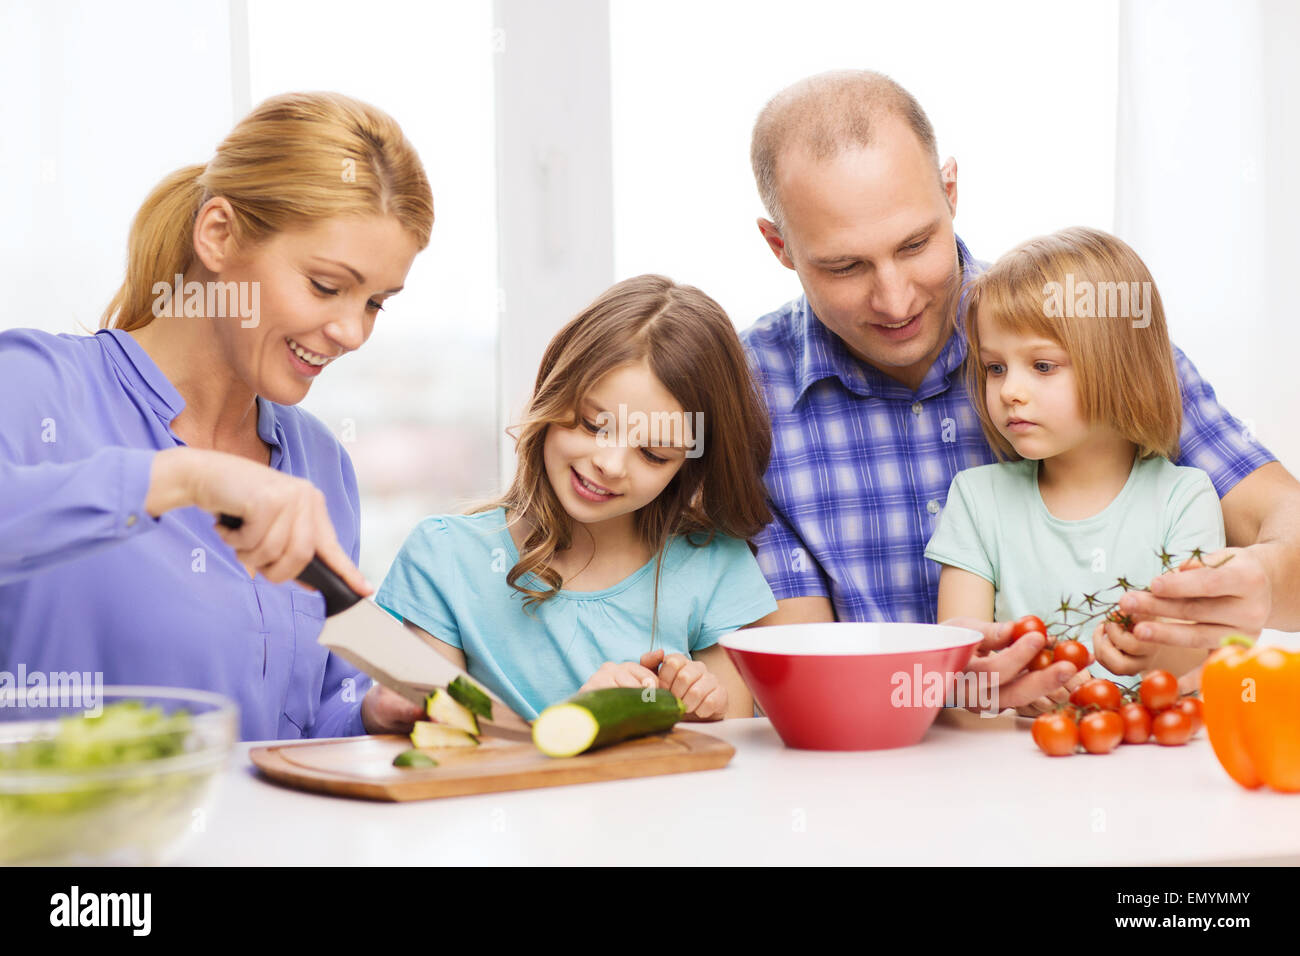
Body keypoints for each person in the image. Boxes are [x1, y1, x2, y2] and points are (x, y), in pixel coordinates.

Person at [740, 70, 1300, 711]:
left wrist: (1264, 581)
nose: (895, 299)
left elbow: (1284, 522)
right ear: (780, 245)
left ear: (951, 191)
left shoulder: (1084, 325)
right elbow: (800, 677)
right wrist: (941, 681)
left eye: (917, 244)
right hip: (878, 776)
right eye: (845, 266)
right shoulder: (744, 397)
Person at [0, 92, 429, 740]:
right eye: (325, 285)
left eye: (376, 302)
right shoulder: (36, 389)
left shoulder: (319, 464)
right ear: (219, 235)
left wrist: (369, 710)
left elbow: (307, 716)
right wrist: (185, 478)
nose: (351, 331)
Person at [376, 275, 778, 720]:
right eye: (593, 425)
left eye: (652, 453)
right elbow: (445, 742)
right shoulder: (444, 558)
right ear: (552, 391)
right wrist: (583, 718)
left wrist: (696, 709)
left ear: (689, 463)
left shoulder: (714, 565)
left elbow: (728, 753)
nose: (610, 463)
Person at [925, 227, 1224, 712]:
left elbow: (1197, 659)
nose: (1008, 391)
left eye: (1042, 366)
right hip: (1015, 759)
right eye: (995, 367)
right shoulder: (977, 499)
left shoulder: (1184, 498)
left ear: (1120, 367)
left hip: (1149, 764)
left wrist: (1146, 647)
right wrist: (1004, 682)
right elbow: (962, 670)